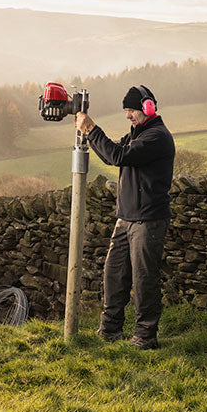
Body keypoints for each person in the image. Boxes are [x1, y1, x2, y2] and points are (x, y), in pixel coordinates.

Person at [75, 85, 175, 349]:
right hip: (126, 218)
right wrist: (88, 134)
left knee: (144, 280)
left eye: (131, 110)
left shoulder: (156, 137)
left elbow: (118, 156)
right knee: (114, 274)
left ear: (147, 108)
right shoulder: (136, 134)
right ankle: (110, 330)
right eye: (126, 111)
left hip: (148, 220)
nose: (128, 116)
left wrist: (91, 129)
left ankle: (145, 337)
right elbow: (111, 153)